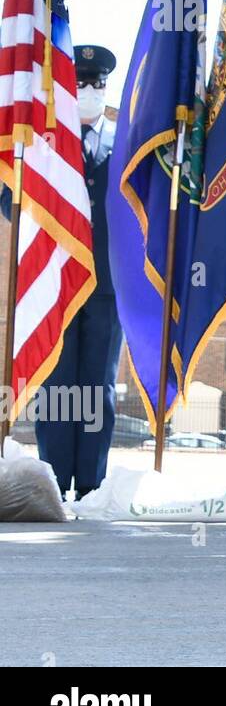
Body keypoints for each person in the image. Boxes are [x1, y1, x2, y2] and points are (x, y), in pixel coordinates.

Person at [2, 45, 121, 498]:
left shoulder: (124, 141)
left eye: (98, 84)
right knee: (55, 384)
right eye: (82, 82)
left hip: (107, 284)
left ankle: (91, 486)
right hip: (54, 278)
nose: (90, 91)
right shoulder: (46, 141)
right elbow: (9, 197)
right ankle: (54, 481)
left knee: (98, 386)